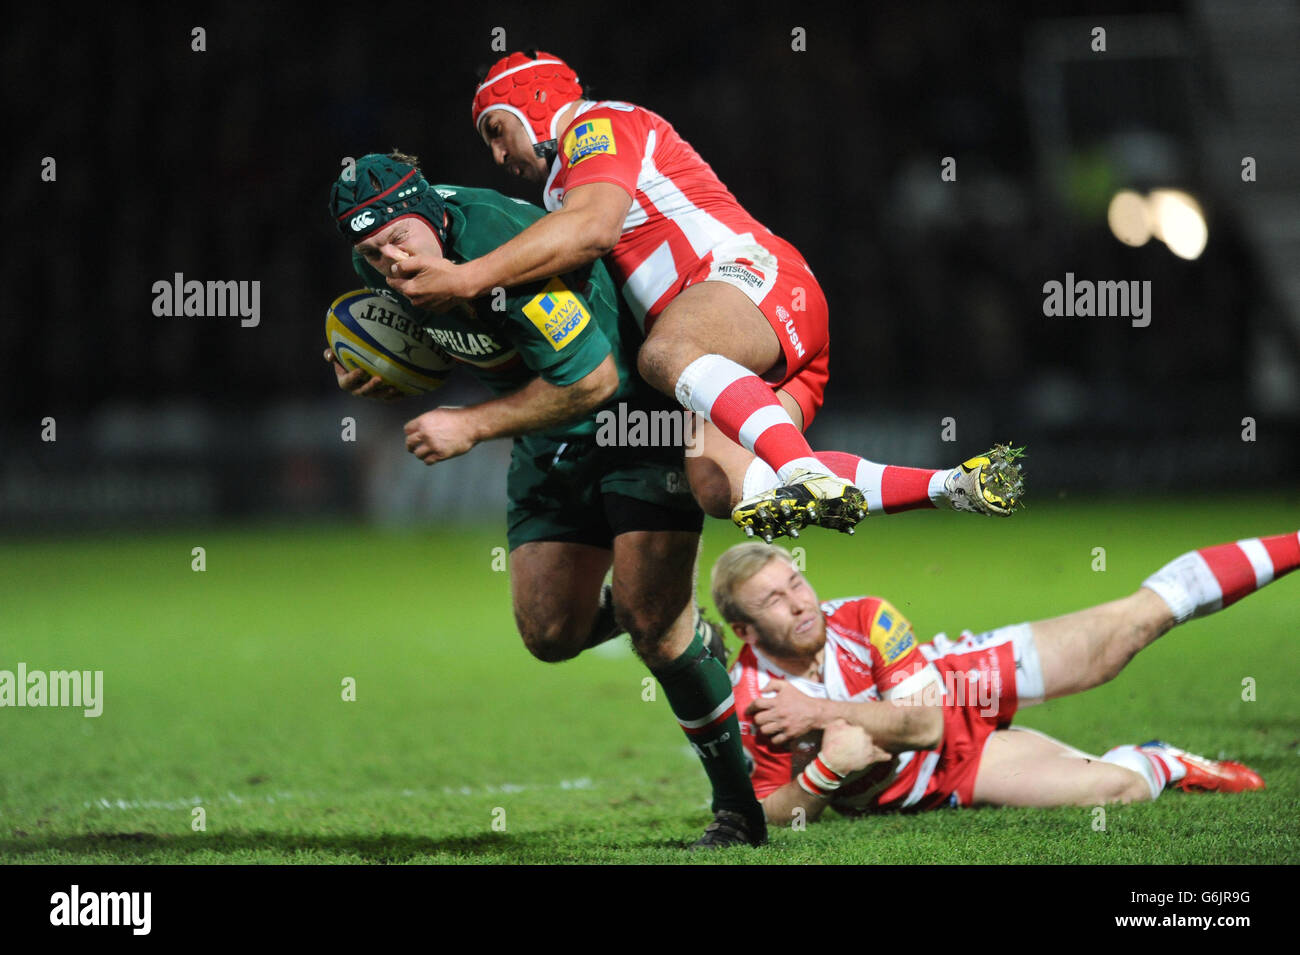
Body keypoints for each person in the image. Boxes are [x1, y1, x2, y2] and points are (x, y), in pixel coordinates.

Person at [383, 50, 1025, 542]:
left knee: (668, 354)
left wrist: (466, 278)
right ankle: (953, 485)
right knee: (723, 486)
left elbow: (594, 229)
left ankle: (802, 471)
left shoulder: (597, 127)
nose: (496, 153)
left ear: (534, 104)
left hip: (753, 280)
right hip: (749, 351)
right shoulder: (558, 193)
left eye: (498, 129)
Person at [326, 152, 765, 847]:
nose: (387, 258)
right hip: (547, 425)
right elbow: (442, 338)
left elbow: (591, 379)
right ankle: (684, 625)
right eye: (370, 249)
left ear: (427, 209)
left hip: (631, 416)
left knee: (651, 626)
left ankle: (741, 810)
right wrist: (388, 368)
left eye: (397, 239)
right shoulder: (385, 262)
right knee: (551, 634)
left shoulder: (499, 247)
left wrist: (469, 423)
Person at [708, 532, 1294, 823]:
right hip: (945, 774)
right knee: (1120, 789)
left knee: (1125, 632)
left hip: (954, 683)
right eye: (775, 601)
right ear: (745, 631)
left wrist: (820, 717)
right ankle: (1163, 760)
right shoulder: (749, 697)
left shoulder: (865, 616)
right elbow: (765, 813)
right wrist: (827, 773)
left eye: (797, 583)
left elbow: (926, 723)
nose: (802, 603)